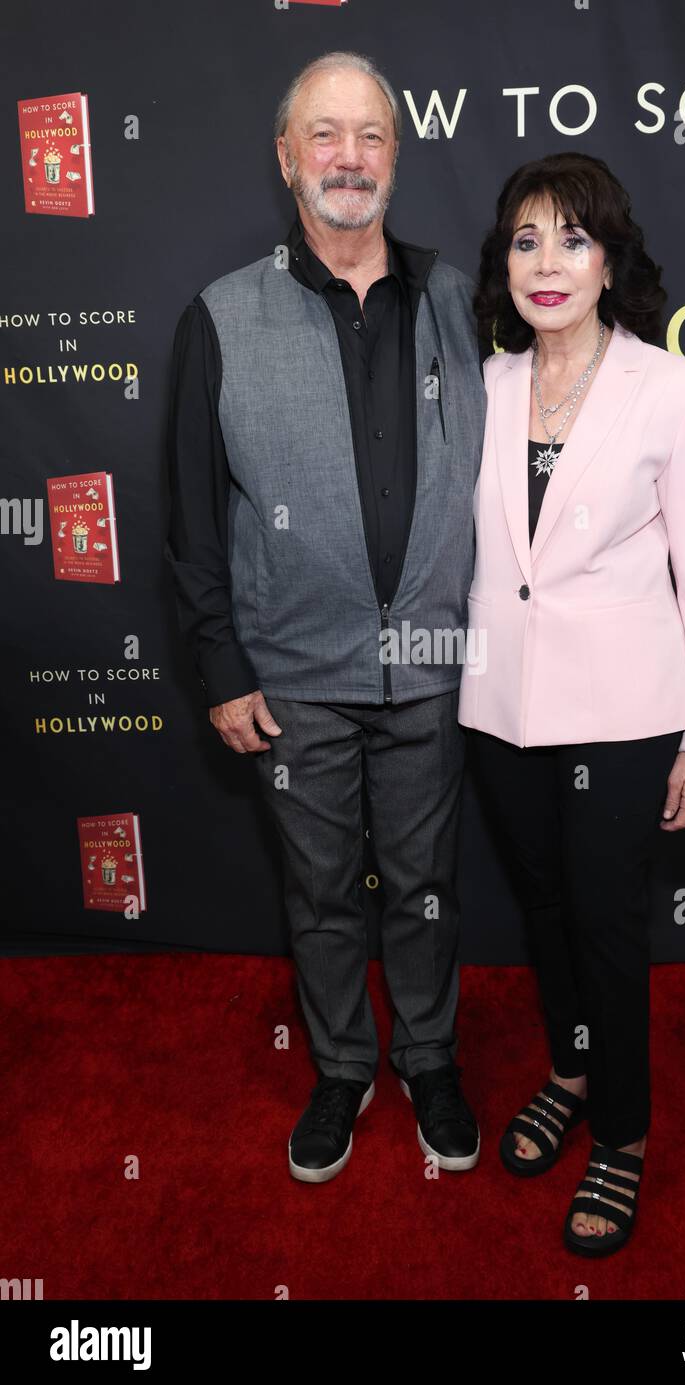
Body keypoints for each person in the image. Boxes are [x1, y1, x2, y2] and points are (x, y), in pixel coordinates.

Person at [164, 51, 489, 1183]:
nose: (349, 157)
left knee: (425, 879)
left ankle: (431, 1057)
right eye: (326, 135)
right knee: (318, 889)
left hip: (435, 667)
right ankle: (346, 1065)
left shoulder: (460, 298)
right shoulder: (220, 318)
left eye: (371, 136)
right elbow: (195, 520)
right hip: (293, 673)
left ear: (396, 157)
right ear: (288, 157)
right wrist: (221, 665)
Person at [459, 151, 685, 1255]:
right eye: (526, 239)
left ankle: (621, 1133)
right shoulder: (483, 382)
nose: (547, 262)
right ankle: (570, 1068)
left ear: (609, 257)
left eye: (572, 238)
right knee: (541, 907)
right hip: (503, 708)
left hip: (627, 716)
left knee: (608, 922)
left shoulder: (674, 387)